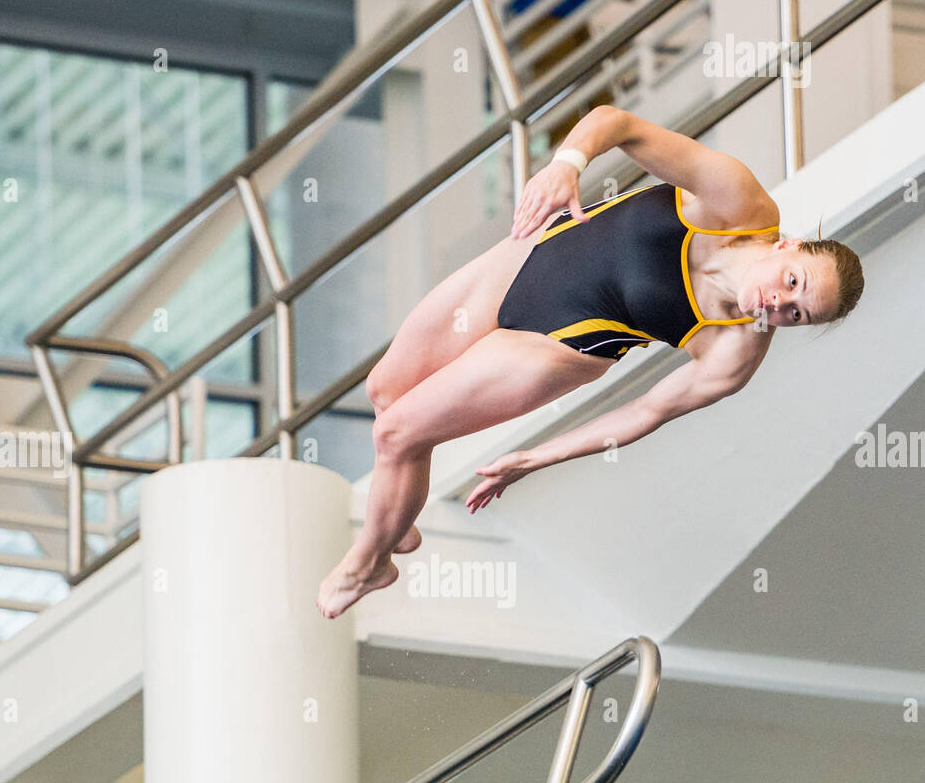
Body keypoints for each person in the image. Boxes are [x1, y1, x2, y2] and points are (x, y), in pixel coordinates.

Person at [317, 105, 864, 618]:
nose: (778, 304)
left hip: (558, 345)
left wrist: (536, 458)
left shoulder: (734, 352)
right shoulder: (737, 202)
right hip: (526, 259)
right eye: (792, 284)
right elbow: (618, 123)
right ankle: (397, 522)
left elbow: (644, 414)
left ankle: (368, 566)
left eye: (796, 315)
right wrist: (566, 165)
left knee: (397, 435)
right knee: (385, 392)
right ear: (787, 246)